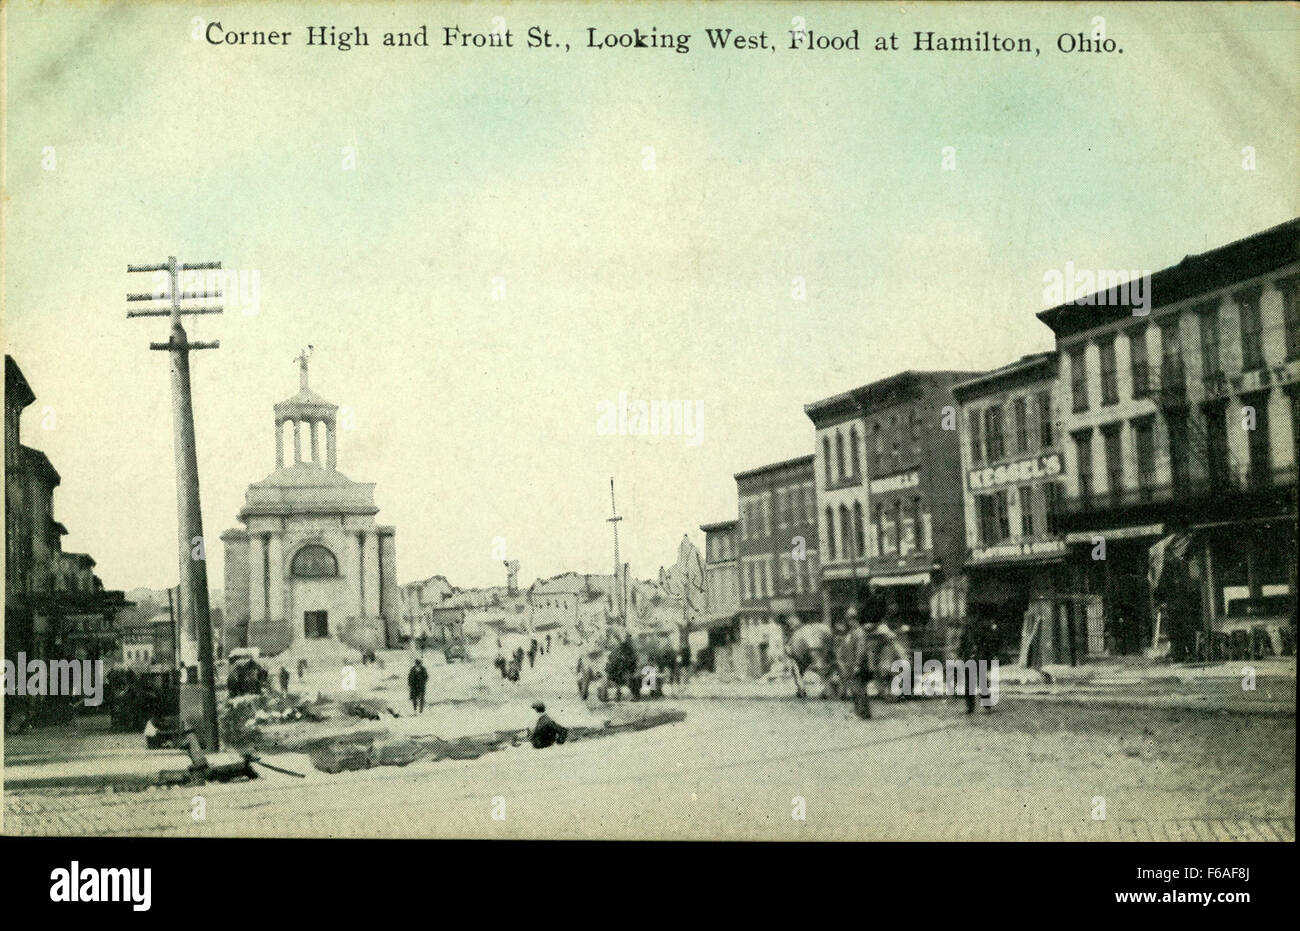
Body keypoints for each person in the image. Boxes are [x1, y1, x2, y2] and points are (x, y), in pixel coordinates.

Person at [845, 610, 873, 719]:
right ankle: (862, 712)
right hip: (853, 664)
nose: (848, 623)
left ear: (853, 620)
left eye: (849, 620)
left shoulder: (859, 633)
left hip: (859, 665)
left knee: (859, 689)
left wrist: (857, 664)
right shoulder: (853, 632)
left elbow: (860, 650)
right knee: (856, 689)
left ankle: (862, 713)